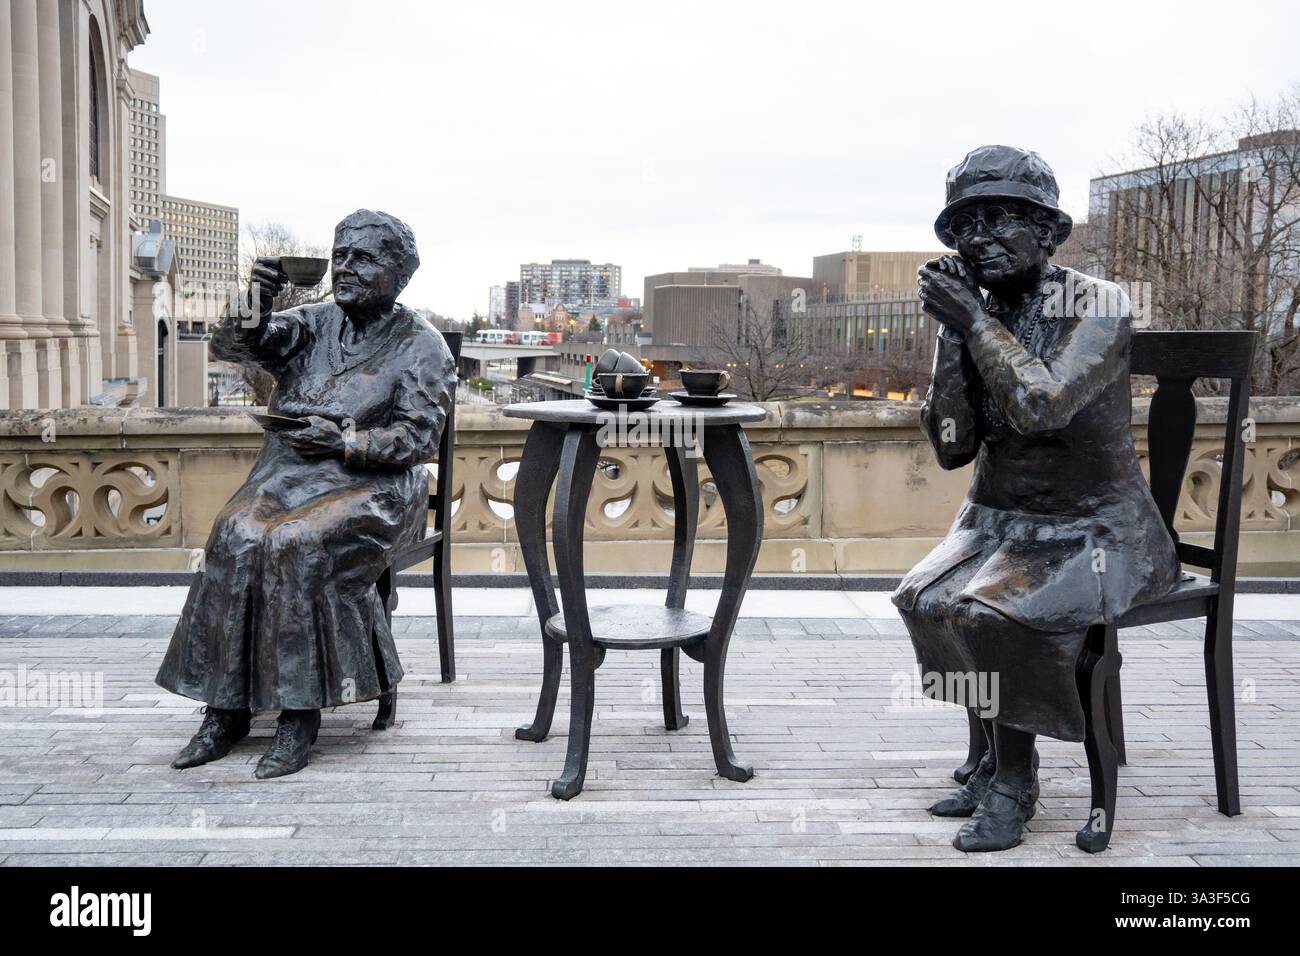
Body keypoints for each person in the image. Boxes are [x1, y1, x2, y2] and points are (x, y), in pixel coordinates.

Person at [892, 146, 1180, 851]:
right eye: (963, 226)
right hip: (999, 523)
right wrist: (950, 334)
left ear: (1049, 232)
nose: (976, 238)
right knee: (925, 597)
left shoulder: (1098, 303)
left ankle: (1016, 784)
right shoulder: (979, 312)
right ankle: (989, 760)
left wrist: (971, 323)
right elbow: (954, 445)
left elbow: (1041, 407)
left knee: (992, 613)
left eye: (998, 220)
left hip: (1098, 531)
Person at [156, 210, 456, 779]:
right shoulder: (313, 322)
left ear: (400, 272)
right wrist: (255, 298)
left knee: (298, 542)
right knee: (234, 536)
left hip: (376, 484)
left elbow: (418, 438)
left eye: (362, 258)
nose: (345, 267)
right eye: (340, 254)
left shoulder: (423, 346)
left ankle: (299, 714)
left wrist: (345, 440)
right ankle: (225, 710)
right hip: (289, 472)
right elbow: (235, 347)